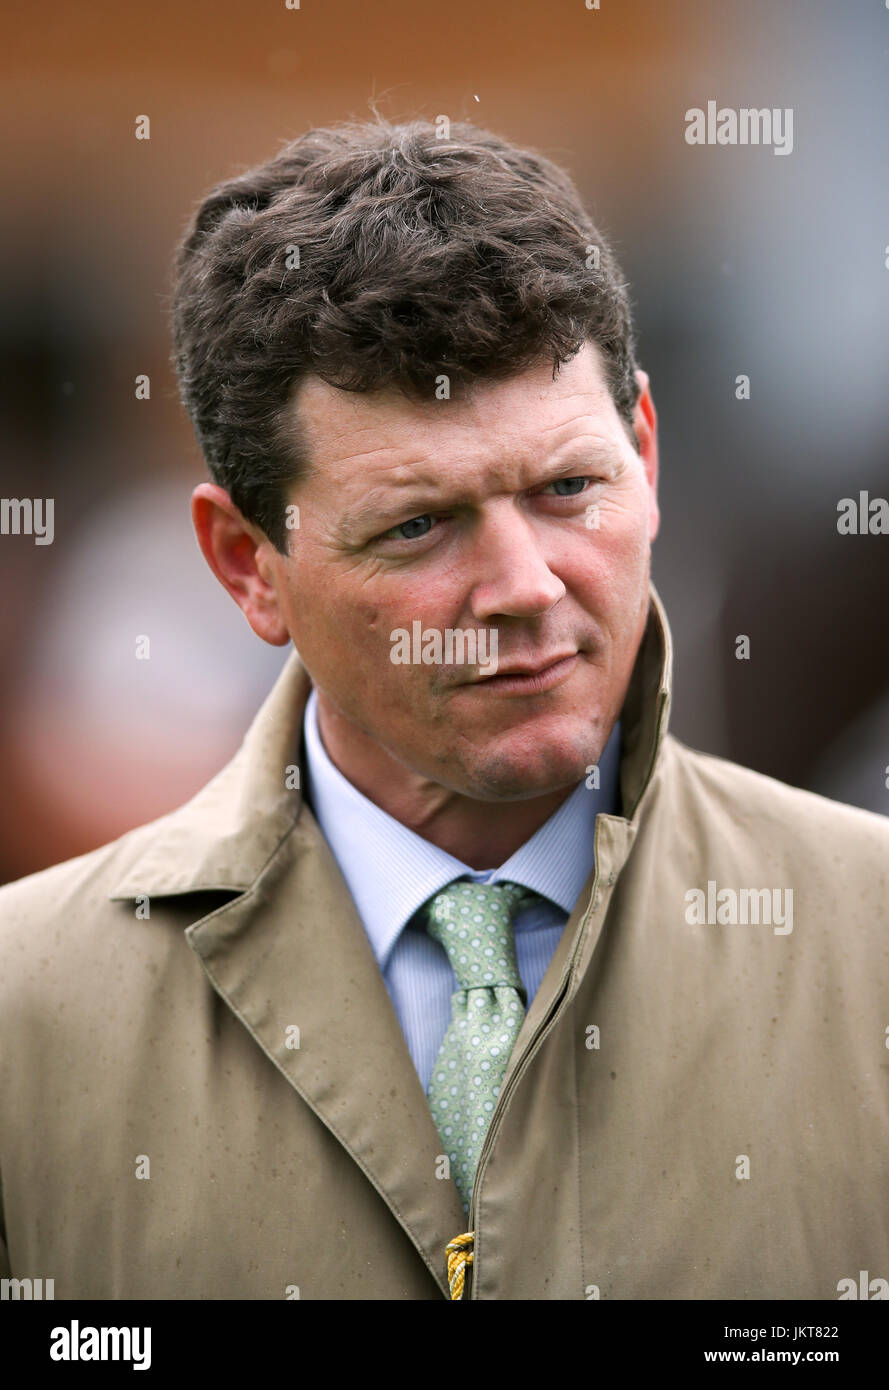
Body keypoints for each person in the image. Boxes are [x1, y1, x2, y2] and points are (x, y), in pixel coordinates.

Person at [1, 116, 887, 1303]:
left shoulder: (867, 948)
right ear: (247, 565)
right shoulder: (26, 1020)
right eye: (417, 523)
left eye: (570, 486)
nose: (525, 584)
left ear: (648, 457)